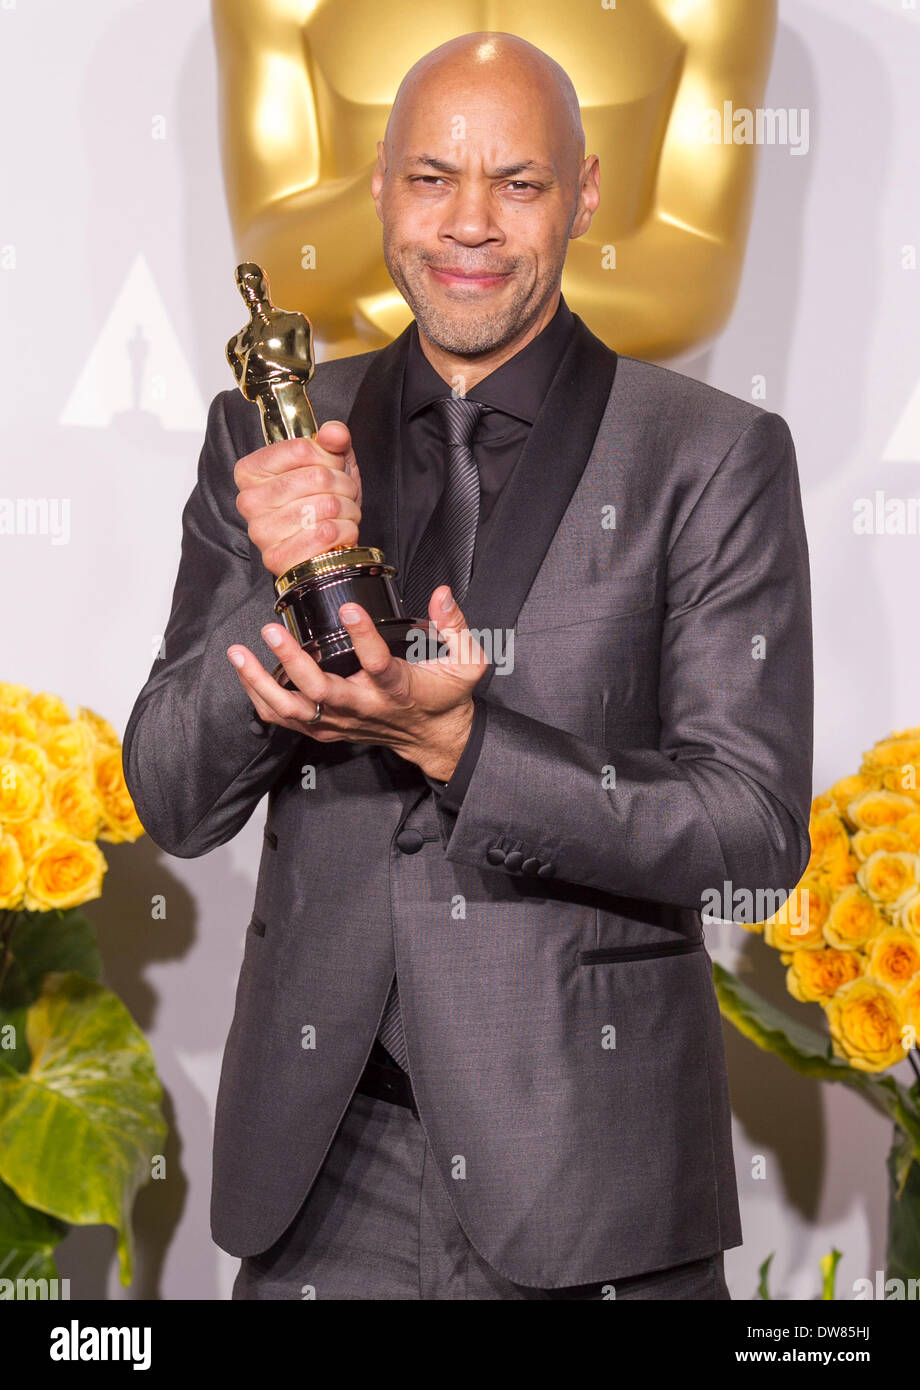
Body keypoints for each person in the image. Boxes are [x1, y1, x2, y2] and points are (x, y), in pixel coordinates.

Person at [122, 31, 813, 1300]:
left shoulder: (708, 456)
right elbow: (172, 795)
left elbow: (750, 828)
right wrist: (265, 597)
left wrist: (464, 750)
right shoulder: (272, 433)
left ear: (587, 193)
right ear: (379, 186)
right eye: (433, 178)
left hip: (588, 1174)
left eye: (520, 183)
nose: (470, 226)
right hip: (319, 1178)